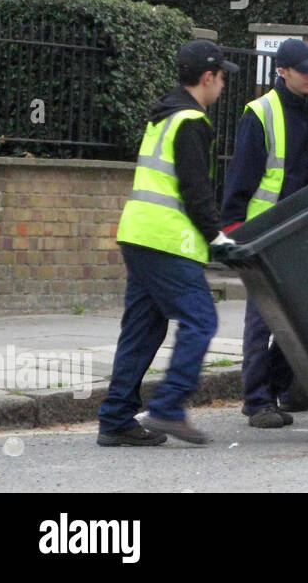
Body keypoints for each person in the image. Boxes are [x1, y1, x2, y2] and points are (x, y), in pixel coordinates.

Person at [97, 40, 240, 447]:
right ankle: (169, 406)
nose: (224, 86)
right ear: (207, 77)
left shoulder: (163, 116)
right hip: (165, 238)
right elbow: (195, 190)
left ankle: (115, 419)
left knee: (142, 331)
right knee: (201, 319)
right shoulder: (191, 120)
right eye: (222, 78)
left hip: (138, 233)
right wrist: (216, 236)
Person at [222, 38, 308, 428]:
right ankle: (256, 402)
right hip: (267, 232)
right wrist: (235, 231)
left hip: (307, 229)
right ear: (282, 72)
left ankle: (279, 389)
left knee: (303, 318)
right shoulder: (260, 113)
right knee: (263, 320)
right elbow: (240, 177)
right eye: (304, 70)